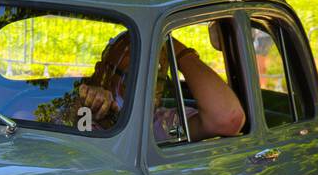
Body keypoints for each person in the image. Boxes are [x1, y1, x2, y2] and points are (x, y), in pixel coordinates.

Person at [78, 24, 245, 139]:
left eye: (156, 81)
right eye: (129, 78)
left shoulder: (162, 128)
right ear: (101, 71)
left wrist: (173, 47)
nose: (145, 89)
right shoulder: (74, 104)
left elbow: (226, 118)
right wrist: (86, 102)